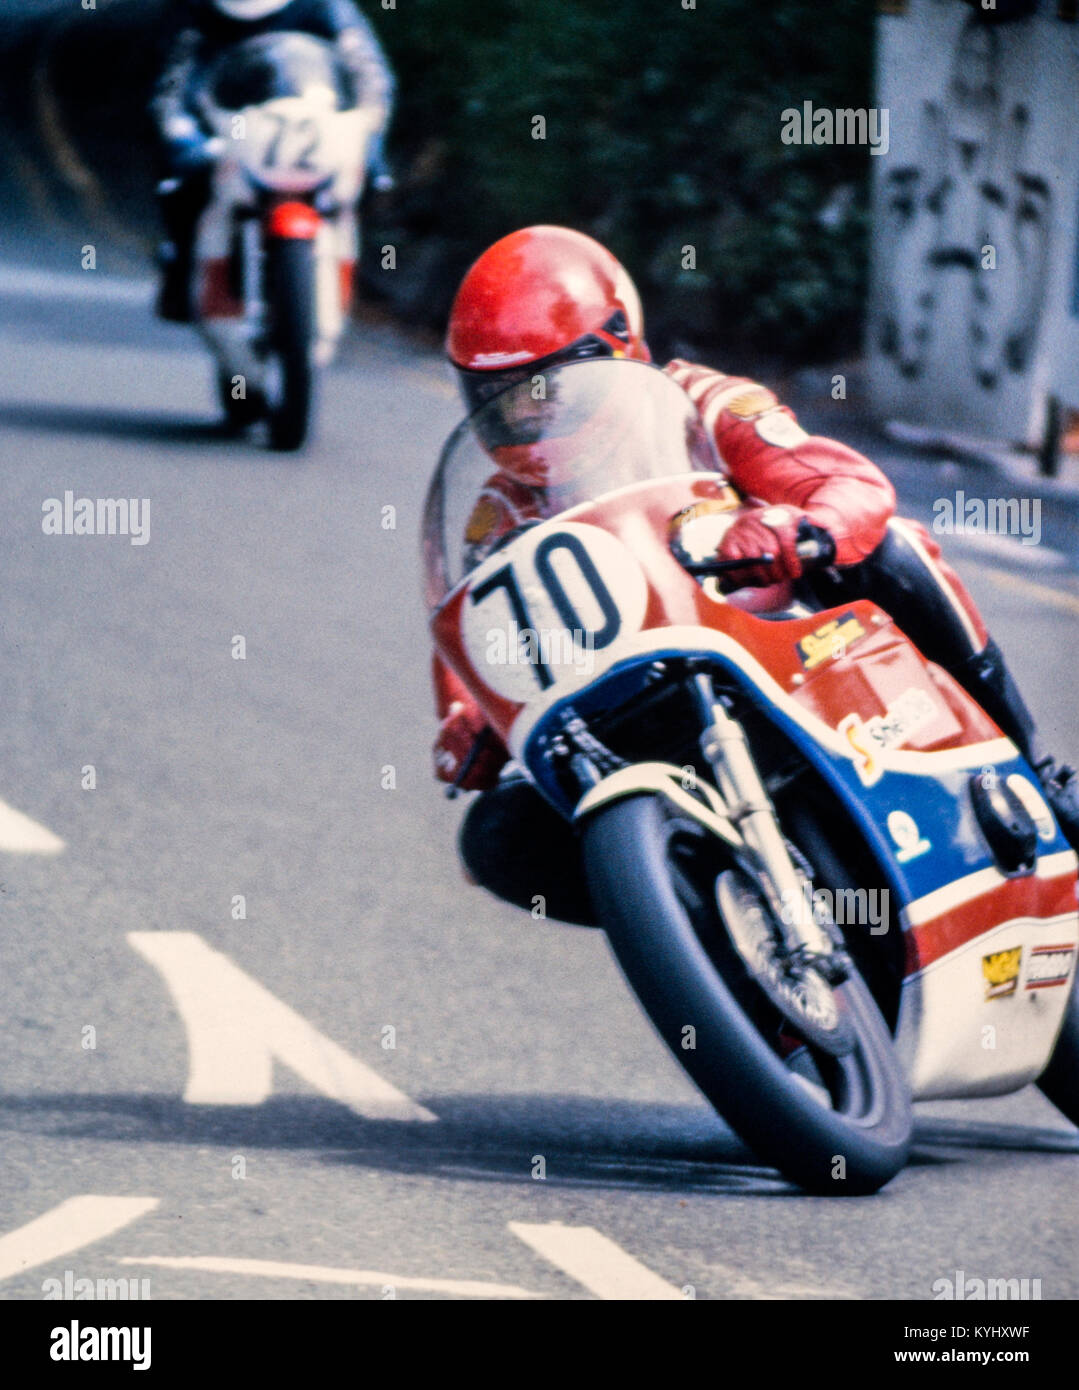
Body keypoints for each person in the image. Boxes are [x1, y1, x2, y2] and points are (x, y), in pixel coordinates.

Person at [431, 224, 1079, 923]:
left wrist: (796, 528)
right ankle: (712, 933)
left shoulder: (701, 406)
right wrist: (472, 726)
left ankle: (1037, 770)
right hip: (636, 715)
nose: (522, 417)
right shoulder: (497, 514)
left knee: (894, 546)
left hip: (793, 649)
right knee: (494, 840)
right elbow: (480, 654)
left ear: (617, 346)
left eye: (543, 390)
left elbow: (848, 484)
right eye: (496, 398)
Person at [151, 0, 395, 322]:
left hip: (315, 130)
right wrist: (186, 138)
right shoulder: (199, 16)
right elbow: (174, 89)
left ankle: (347, 274)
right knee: (181, 186)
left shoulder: (328, 9)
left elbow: (370, 76)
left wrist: (364, 133)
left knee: (372, 181)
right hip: (233, 131)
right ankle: (181, 276)